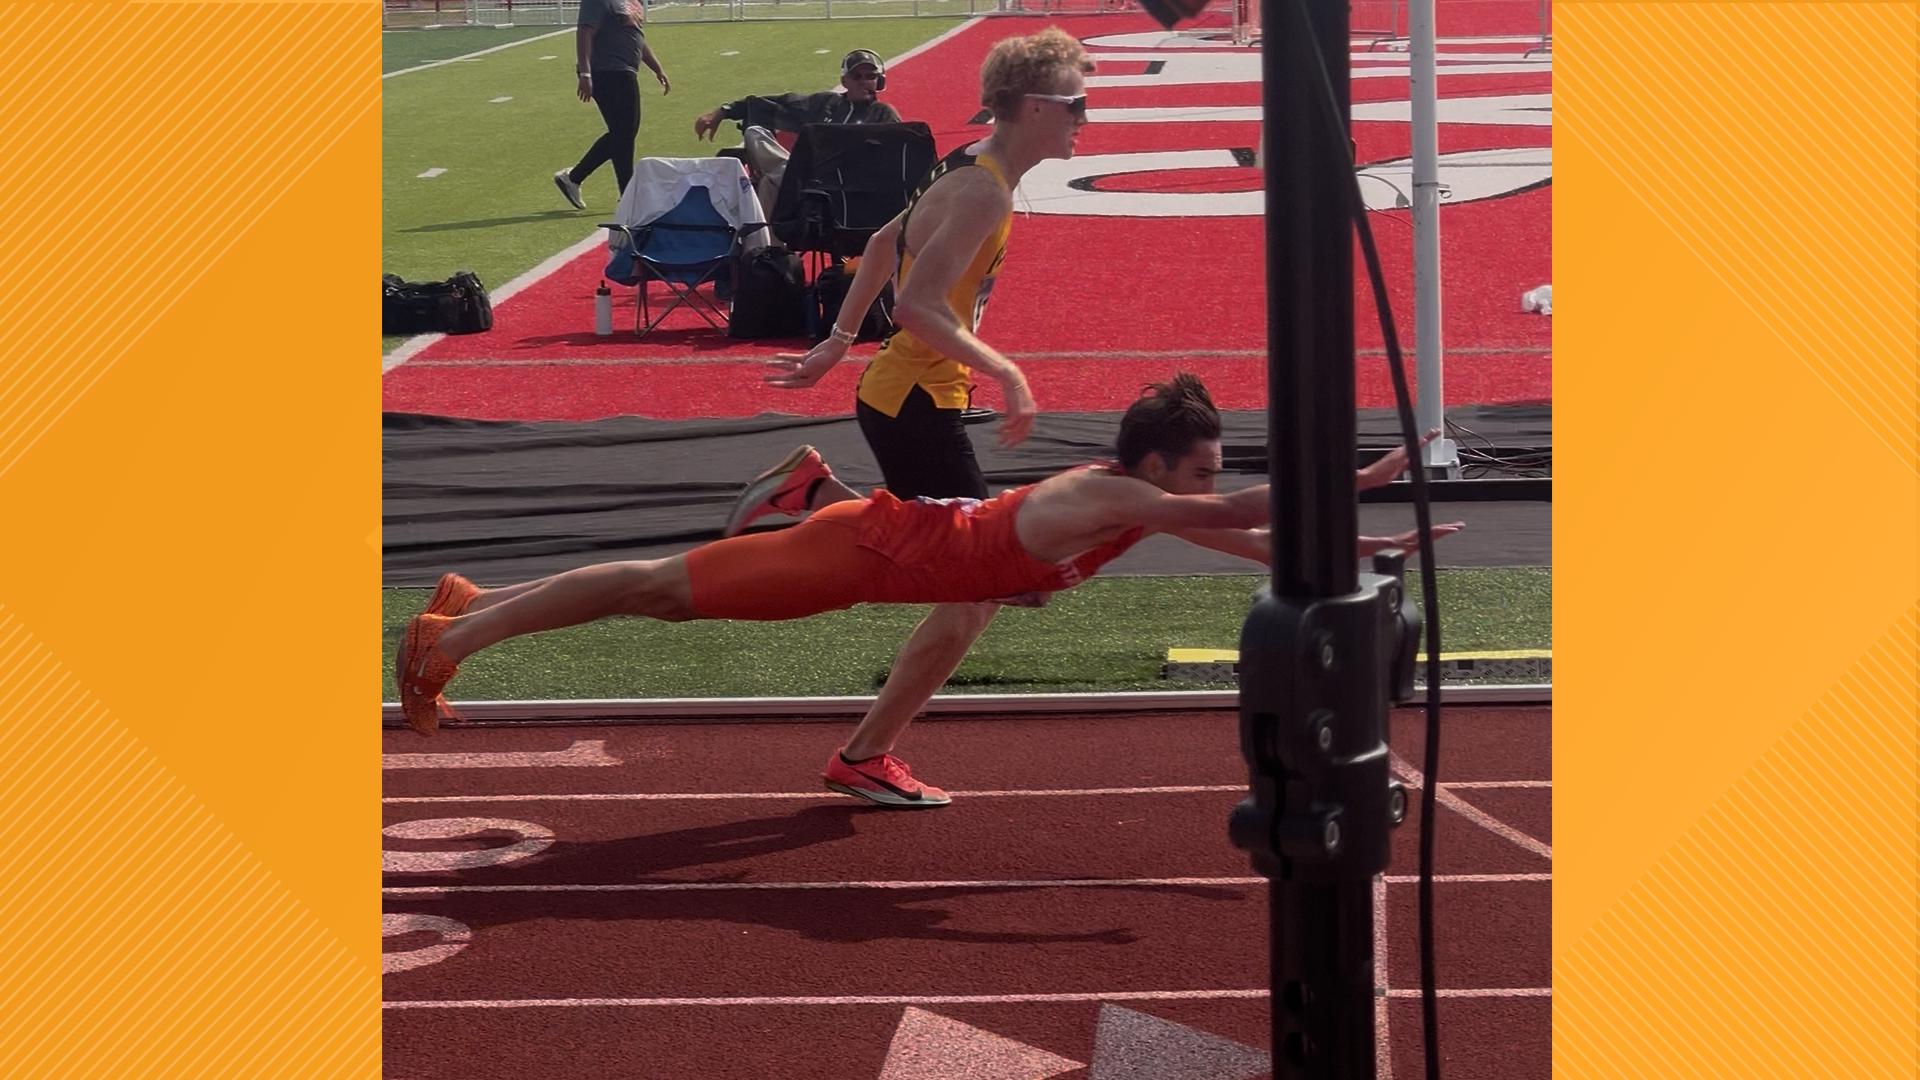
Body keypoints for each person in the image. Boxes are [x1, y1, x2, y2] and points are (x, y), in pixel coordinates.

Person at [397, 376, 1464, 807]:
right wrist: (1356, 479)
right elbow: (1242, 518)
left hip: (902, 546)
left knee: (665, 592)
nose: (1210, 485)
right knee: (653, 590)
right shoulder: (1107, 499)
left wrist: (1373, 545)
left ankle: (475, 599)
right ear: (1150, 469)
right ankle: (452, 641)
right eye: (1196, 469)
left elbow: (1257, 541)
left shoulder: (1135, 503)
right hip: (867, 553)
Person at [704, 28, 1094, 806]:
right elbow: (915, 306)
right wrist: (1005, 370)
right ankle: (865, 752)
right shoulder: (983, 188)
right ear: (1034, 107)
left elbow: (884, 242)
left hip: (909, 396)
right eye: (1076, 104)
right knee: (985, 585)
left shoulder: (969, 169)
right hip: (917, 400)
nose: (1086, 119)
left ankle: (815, 497)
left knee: (987, 579)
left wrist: (837, 341)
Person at [693, 49, 902, 211]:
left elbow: (900, 156)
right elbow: (765, 104)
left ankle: (767, 250)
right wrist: (722, 112)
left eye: (871, 76)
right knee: (754, 133)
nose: (865, 81)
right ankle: (770, 254)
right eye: (857, 76)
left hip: (857, 186)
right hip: (812, 179)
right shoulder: (825, 103)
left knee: (770, 182)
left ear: (879, 81)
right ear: (844, 81)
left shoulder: (883, 113)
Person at [553, 0, 670, 211]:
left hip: (623, 69)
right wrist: (586, 72)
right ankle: (628, 193)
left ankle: (575, 178)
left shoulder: (630, 1)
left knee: (622, 133)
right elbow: (585, 32)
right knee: (624, 132)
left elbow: (636, 37)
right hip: (607, 70)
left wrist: (656, 67)